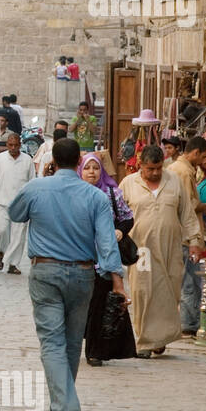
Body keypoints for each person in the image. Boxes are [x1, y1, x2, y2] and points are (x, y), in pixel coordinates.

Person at [8, 138, 127, 411]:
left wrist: (44, 178)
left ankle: (64, 407)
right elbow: (107, 241)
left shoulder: (36, 188)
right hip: (83, 274)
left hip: (45, 271)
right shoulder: (96, 198)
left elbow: (14, 213)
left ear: (52, 161)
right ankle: (63, 406)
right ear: (78, 163)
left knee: (52, 341)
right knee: (73, 342)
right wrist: (118, 281)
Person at [119, 145, 204, 358]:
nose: (155, 173)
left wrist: (194, 241)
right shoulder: (128, 184)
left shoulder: (173, 181)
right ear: (141, 166)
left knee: (168, 292)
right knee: (143, 292)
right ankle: (145, 341)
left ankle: (160, 338)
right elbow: (117, 215)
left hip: (170, 247)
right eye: (150, 169)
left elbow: (187, 213)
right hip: (141, 250)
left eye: (158, 168)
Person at [79, 153, 136, 366]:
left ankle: (95, 351)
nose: (92, 172)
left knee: (101, 304)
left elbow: (127, 218)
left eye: (96, 168)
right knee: (86, 305)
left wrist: (120, 232)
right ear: (80, 171)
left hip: (105, 258)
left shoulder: (112, 193)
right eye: (87, 168)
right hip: (82, 256)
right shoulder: (76, 193)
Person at [170, 136, 206, 338]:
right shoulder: (185, 172)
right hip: (185, 235)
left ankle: (188, 321)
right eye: (203, 157)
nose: (204, 161)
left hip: (179, 232)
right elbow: (188, 206)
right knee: (190, 279)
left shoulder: (175, 168)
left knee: (187, 278)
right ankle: (189, 323)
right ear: (195, 153)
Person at [0, 133, 33, 274]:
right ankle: (1, 252)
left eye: (16, 145)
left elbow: (32, 182)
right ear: (7, 145)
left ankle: (13, 264)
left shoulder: (27, 160)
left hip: (21, 204)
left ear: (20, 144)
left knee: (18, 236)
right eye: (10, 145)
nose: (13, 148)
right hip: (1, 201)